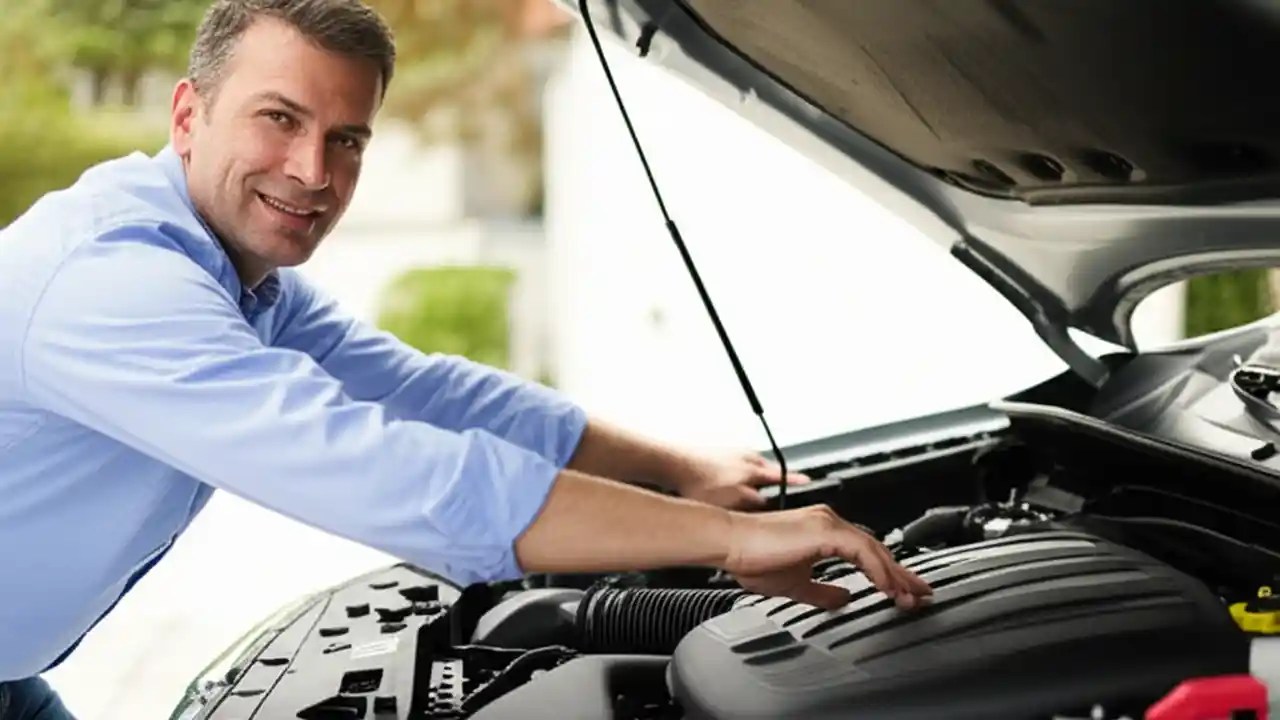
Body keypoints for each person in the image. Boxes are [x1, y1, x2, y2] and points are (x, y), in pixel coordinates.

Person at [0, 1, 932, 716]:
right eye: (277, 119)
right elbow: (388, 470)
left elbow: (426, 395)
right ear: (188, 115)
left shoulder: (231, 277)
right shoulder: (115, 285)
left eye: (346, 138)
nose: (314, 173)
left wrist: (677, 470)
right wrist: (733, 542)